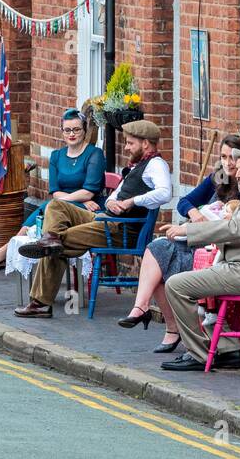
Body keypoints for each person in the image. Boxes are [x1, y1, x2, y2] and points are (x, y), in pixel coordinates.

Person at [156, 144, 240, 371]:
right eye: (237, 168)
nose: (237, 173)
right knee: (201, 285)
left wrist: (187, 230)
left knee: (175, 285)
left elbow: (234, 229)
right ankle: (229, 350)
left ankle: (199, 353)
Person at [14, 120, 172, 318]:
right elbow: (116, 194)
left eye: (130, 143)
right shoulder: (137, 165)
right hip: (106, 218)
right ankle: (50, 238)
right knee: (56, 205)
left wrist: (132, 201)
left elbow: (165, 193)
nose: (126, 147)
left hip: (121, 229)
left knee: (59, 242)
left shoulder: (156, 165)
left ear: (145, 144)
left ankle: (40, 302)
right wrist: (111, 203)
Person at [118, 133, 240, 352]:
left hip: (215, 253)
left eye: (232, 158)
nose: (227, 163)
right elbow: (184, 202)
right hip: (196, 241)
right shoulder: (220, 176)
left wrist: (195, 227)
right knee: (156, 248)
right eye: (223, 157)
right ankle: (142, 309)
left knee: (161, 264)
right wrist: (193, 213)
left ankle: (172, 329)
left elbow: (233, 230)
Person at [0, 109, 104, 268]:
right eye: (67, 130)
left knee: (49, 206)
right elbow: (55, 191)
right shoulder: (56, 156)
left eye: (76, 129)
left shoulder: (95, 154)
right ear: (62, 132)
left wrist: (80, 199)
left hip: (88, 207)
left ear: (84, 130)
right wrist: (76, 198)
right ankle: (19, 246)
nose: (72, 134)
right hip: (70, 204)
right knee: (51, 206)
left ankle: (9, 248)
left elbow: (89, 192)